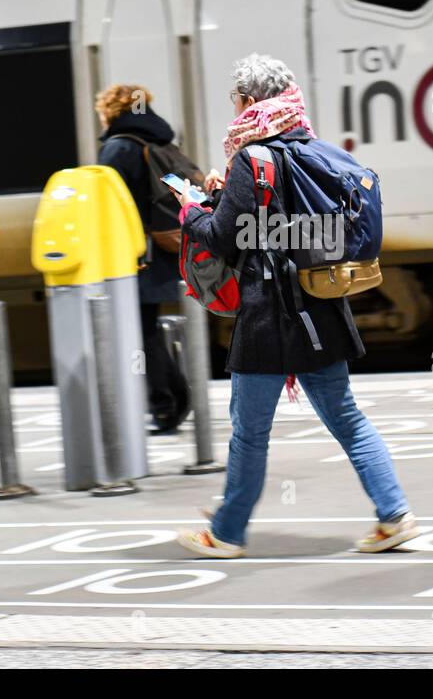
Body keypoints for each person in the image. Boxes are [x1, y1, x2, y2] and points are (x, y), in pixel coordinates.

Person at [173, 53, 416, 558]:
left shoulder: (252, 157)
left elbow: (222, 238)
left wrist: (192, 210)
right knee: (347, 417)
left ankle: (226, 532)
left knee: (249, 432)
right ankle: (395, 515)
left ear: (245, 101)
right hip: (320, 304)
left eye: (235, 99)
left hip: (268, 316)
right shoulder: (308, 147)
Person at [96, 84, 190, 434]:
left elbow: (106, 205)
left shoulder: (118, 148)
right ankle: (174, 401)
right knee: (145, 327)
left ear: (111, 111)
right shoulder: (160, 142)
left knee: (140, 331)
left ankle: (165, 406)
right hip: (161, 250)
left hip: (133, 254)